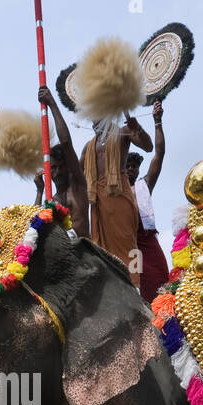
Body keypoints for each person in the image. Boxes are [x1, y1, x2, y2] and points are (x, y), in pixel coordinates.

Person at [80, 112, 153, 289]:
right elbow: (75, 173)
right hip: (98, 202)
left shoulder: (123, 132)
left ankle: (135, 286)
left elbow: (148, 146)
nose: (94, 117)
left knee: (129, 242)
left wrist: (138, 129)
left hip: (119, 194)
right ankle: (109, 288)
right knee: (99, 248)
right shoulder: (88, 147)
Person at [126, 98, 171, 305]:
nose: (131, 169)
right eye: (127, 165)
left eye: (135, 166)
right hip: (131, 249)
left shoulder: (143, 186)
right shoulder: (113, 191)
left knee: (162, 287)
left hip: (149, 245)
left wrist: (157, 122)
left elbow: (159, 154)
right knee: (136, 293)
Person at [35, 85, 90, 237]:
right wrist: (39, 192)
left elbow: (66, 143)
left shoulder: (78, 185)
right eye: (53, 168)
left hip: (84, 254)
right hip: (63, 256)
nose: (58, 172)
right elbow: (34, 228)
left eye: (61, 166)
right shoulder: (50, 201)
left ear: (68, 167)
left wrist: (52, 103)